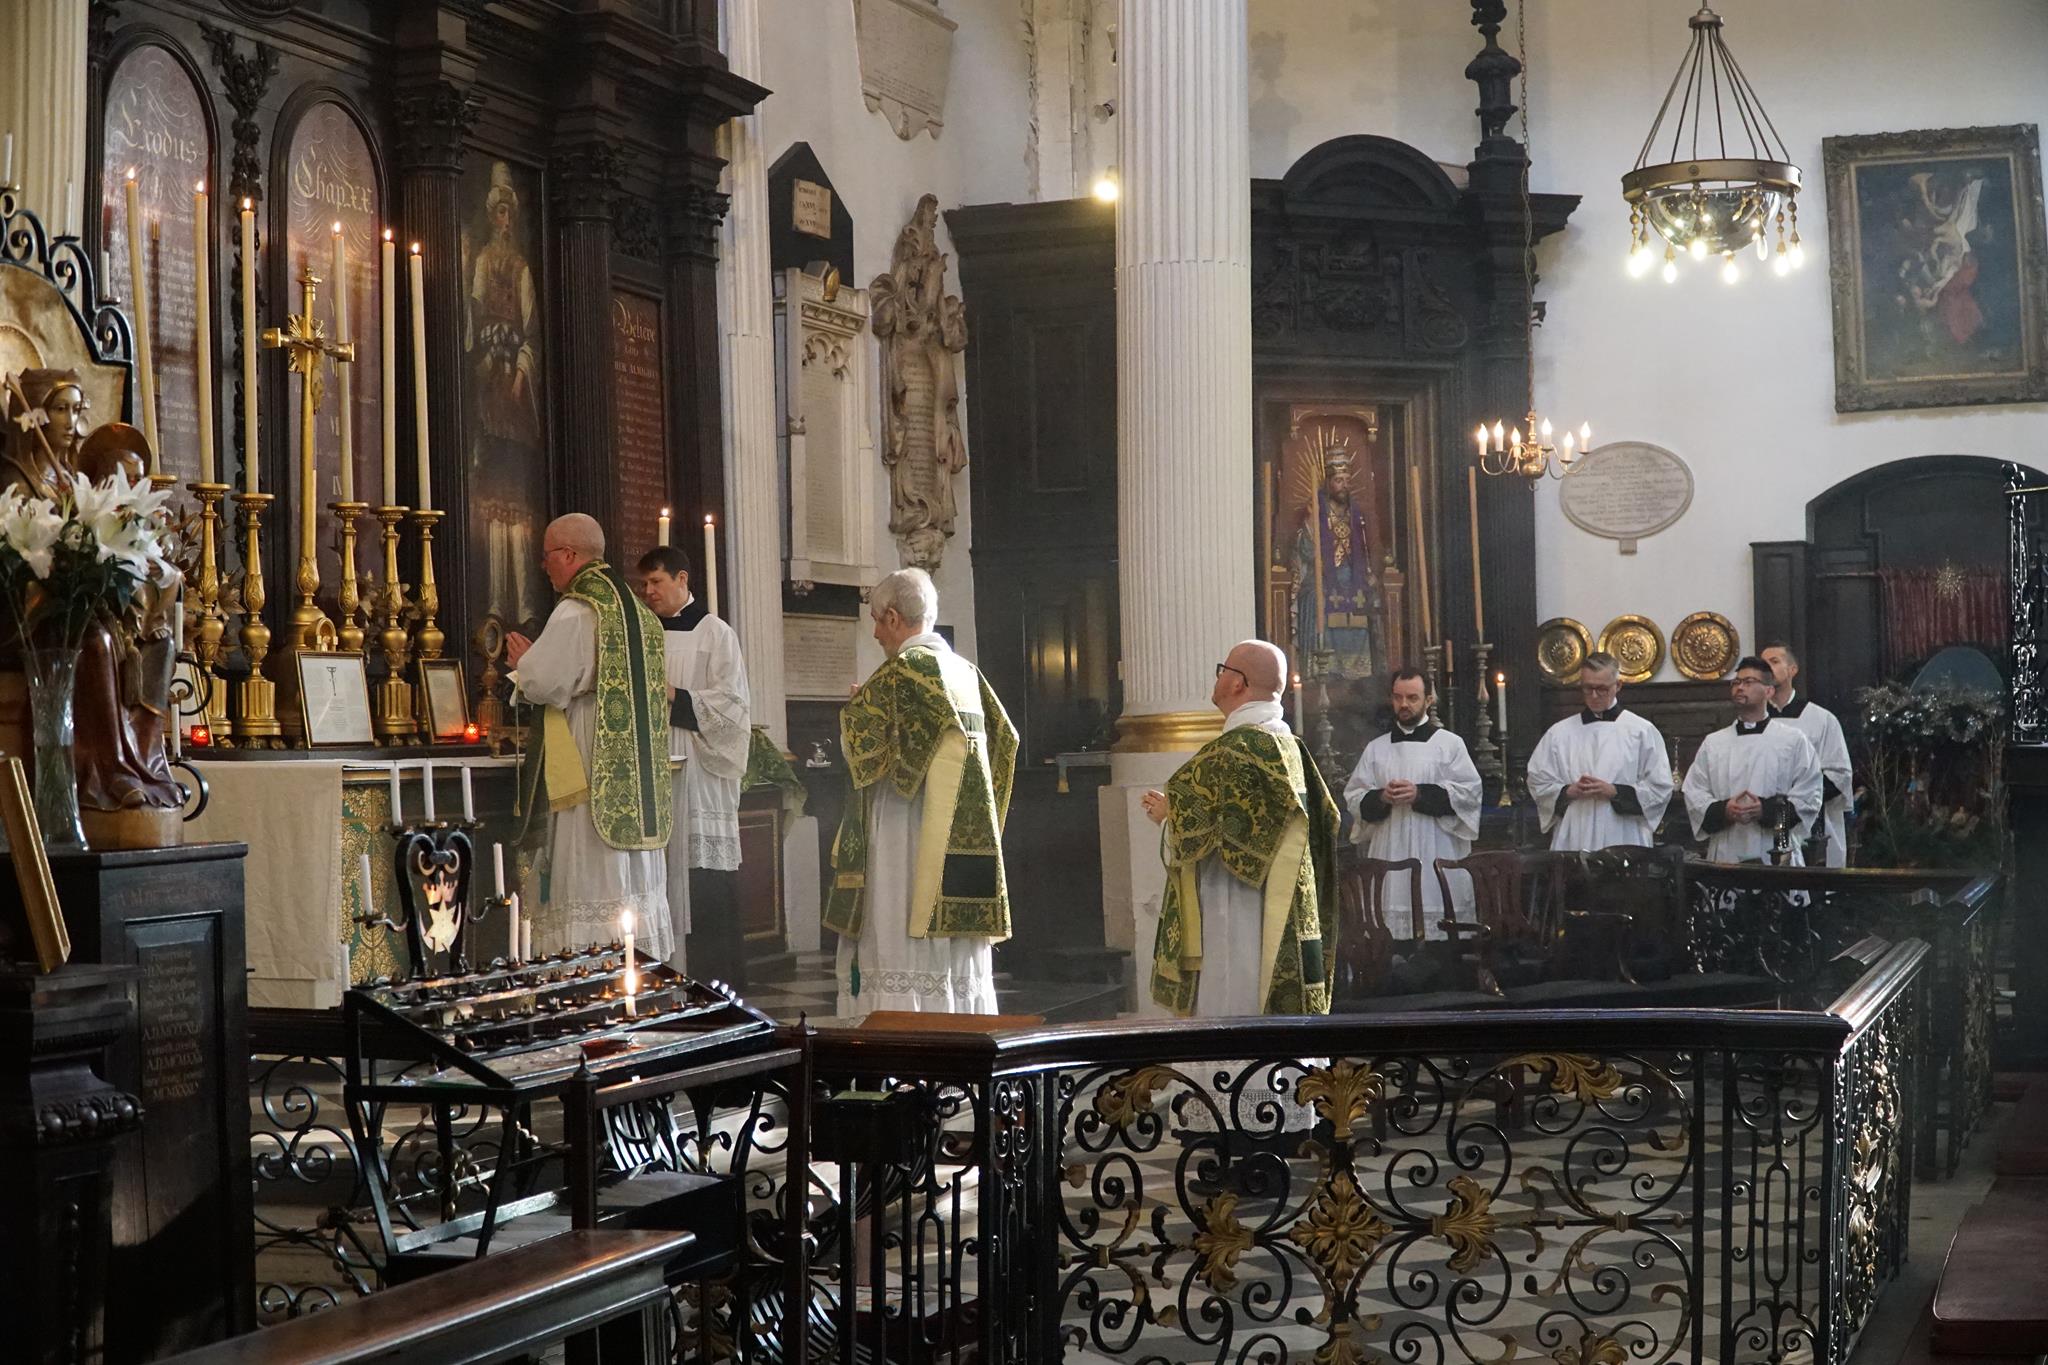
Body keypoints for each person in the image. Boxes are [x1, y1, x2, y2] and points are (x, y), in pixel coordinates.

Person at [825, 568, 1016, 1019]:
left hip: (905, 830)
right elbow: (1005, 739)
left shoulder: (903, 671)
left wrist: (858, 708)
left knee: (897, 922)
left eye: (875, 620)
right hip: (964, 839)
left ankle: (902, 1029)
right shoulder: (966, 673)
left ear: (893, 618)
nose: (874, 632)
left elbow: (865, 748)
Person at [1143, 640, 1339, 1016]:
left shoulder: (1232, 750)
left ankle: (1226, 1075)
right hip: (1281, 908)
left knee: (1232, 993)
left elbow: (1210, 833)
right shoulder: (1290, 746)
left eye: (1224, 669)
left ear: (1238, 683)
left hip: (1234, 906)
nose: (1218, 677)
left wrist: (1170, 815)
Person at [507, 514, 672, 958]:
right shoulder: (639, 612)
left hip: (588, 761)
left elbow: (545, 683)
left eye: (546, 557)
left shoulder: (580, 608)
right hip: (638, 781)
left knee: (589, 871)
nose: (544, 567)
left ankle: (589, 971)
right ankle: (636, 968)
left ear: (568, 555)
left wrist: (525, 665)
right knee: (630, 881)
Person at [637, 545, 751, 983]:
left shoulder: (714, 633)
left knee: (701, 880)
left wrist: (673, 695)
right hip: (652, 767)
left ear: (682, 580)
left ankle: (713, 984)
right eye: (643, 585)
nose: (648, 592)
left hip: (699, 769)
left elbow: (733, 708)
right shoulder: (641, 632)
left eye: (657, 582)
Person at [1342, 667, 1481, 940]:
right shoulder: (1376, 748)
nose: (1403, 704)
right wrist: (1382, 797)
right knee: (1390, 935)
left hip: (1435, 847)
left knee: (1440, 933)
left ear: (1429, 700)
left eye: (1412, 698)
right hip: (1389, 849)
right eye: (1398, 697)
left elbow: (1469, 794)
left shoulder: (1450, 745)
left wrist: (1419, 795)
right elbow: (1355, 797)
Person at [1524, 651, 1674, 851]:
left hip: (1623, 832)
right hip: (1575, 830)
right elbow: (1538, 780)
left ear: (1618, 686)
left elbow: (1660, 787)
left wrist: (1615, 791)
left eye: (1602, 689)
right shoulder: (1559, 733)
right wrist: (1568, 791)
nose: (1594, 696)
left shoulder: (1641, 731)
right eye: (1587, 688)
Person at [1682, 656, 1824, 865]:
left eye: (1748, 682)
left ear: (1769, 691)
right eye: (1736, 682)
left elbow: (1809, 795)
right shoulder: (1714, 743)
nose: (1740, 687)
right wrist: (1725, 811)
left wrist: (1766, 811)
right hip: (1726, 848)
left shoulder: (1792, 740)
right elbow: (1695, 792)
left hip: (1776, 845)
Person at [1761, 641, 1855, 867]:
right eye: (1762, 664)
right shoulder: (1755, 722)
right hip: (1765, 821)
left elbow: (1839, 774)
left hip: (1814, 823)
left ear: (1792, 670)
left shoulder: (1821, 719)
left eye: (1774, 661)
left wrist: (1798, 801)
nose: (1766, 668)